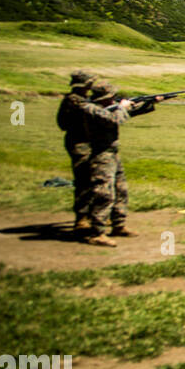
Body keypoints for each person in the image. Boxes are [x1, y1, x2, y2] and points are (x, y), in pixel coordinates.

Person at [74, 80, 136, 247]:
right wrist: (122, 107)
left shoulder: (104, 108)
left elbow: (122, 115)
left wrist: (144, 104)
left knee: (121, 190)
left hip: (112, 154)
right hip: (101, 156)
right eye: (111, 97)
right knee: (104, 194)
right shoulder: (90, 109)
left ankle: (118, 225)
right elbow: (113, 120)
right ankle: (97, 232)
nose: (113, 99)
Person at [55, 69, 98, 232]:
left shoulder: (84, 99)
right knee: (84, 180)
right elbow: (63, 124)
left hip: (91, 142)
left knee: (97, 179)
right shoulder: (74, 101)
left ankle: (96, 214)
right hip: (79, 143)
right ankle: (82, 217)